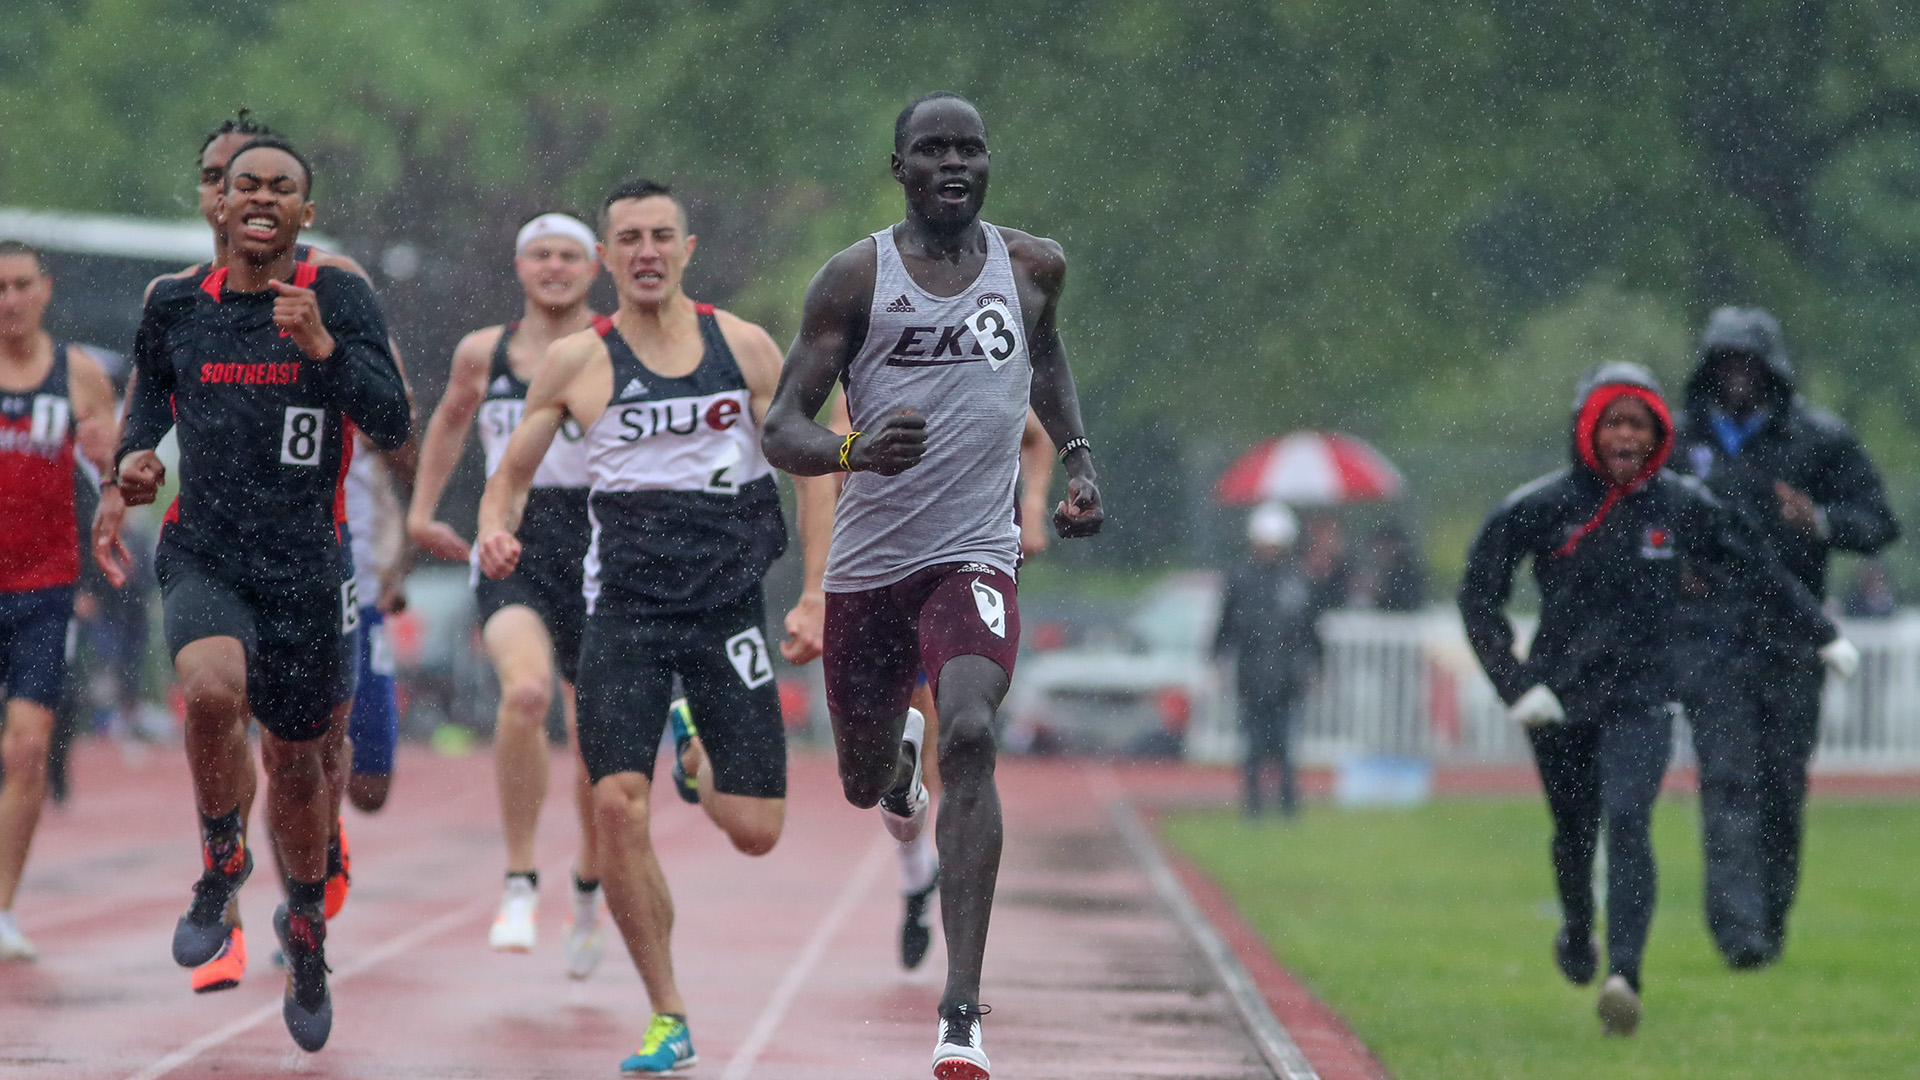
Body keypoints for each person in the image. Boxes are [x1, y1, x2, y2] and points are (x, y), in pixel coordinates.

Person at [761, 92, 1105, 1080]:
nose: (954, 163)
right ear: (901, 167)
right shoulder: (854, 279)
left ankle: (962, 1010)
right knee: (866, 780)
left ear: (987, 163)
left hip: (974, 552)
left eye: (970, 149)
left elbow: (1043, 357)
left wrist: (1079, 461)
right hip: (870, 570)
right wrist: (854, 448)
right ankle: (896, 773)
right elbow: (780, 426)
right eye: (932, 150)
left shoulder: (1034, 266)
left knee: (973, 731)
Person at [476, 179, 810, 1075]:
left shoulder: (743, 346)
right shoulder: (577, 362)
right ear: (607, 257)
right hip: (620, 613)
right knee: (618, 807)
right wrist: (494, 526)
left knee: (755, 829)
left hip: (726, 610)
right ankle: (668, 1012)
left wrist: (817, 592)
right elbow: (509, 474)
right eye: (630, 238)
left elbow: (816, 460)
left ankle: (698, 753)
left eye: (663, 235)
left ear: (687, 249)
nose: (647, 251)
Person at [94, 136, 410, 1051]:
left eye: (283, 189)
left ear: (305, 214)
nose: (262, 199)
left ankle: (305, 934)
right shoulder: (174, 303)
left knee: (303, 765)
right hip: (206, 553)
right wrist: (134, 465)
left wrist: (323, 347)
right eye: (246, 186)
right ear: (220, 205)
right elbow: (146, 406)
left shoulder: (339, 294)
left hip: (309, 568)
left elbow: (393, 423)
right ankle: (219, 862)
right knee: (208, 692)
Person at [1459, 363, 1853, 1037]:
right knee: (1575, 834)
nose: (1626, 436)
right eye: (1613, 422)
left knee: (1630, 820)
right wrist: (1517, 685)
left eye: (1638, 424)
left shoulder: (1683, 505)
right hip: (1557, 701)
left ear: (1658, 433)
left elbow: (1757, 568)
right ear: (1590, 429)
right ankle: (1579, 929)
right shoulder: (1542, 505)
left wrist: (1821, 634)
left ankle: (1625, 979)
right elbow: (1479, 595)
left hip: (1640, 697)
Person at [783, 396, 1056, 972]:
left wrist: (1032, 505)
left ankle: (926, 893)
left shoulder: (980, 363)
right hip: (880, 575)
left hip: (958, 572)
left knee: (949, 740)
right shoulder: (868, 376)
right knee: (884, 768)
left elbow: (1037, 435)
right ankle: (915, 877)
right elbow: (819, 468)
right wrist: (818, 589)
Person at [407, 211, 605, 972]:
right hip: (512, 541)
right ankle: (520, 878)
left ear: (593, 268)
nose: (554, 268)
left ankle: (587, 886)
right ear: (519, 267)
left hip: (601, 546)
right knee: (525, 695)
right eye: (540, 255)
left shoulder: (615, 348)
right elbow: (452, 423)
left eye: (568, 257)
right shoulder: (482, 353)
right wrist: (424, 512)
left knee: (598, 747)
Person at [1671, 308, 1898, 965]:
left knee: (1781, 787)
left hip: (1792, 641)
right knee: (1727, 782)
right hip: (1711, 640)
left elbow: (1879, 521)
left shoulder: (1817, 440)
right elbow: (1639, 520)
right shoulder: (1681, 440)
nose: (1737, 376)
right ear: (1710, 367)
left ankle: (1769, 922)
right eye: (1726, 362)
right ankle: (1738, 936)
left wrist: (1820, 520)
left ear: (1770, 369)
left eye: (1749, 363)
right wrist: (1671, 562)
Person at [0, 240, 118, 960]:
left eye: (20, 286)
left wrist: (116, 487)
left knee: (28, 749)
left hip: (43, 588)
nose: (8, 301)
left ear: (45, 290)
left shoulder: (78, 374)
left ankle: (4, 905)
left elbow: (114, 478)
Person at [1213, 502, 1329, 818]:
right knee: (1252, 744)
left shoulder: (1298, 579)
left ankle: (1288, 803)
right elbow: (1226, 625)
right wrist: (1219, 659)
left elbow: (1310, 628)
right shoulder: (1241, 579)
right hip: (1252, 674)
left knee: (1286, 745)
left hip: (1288, 676)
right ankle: (1253, 805)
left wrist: (1317, 664)